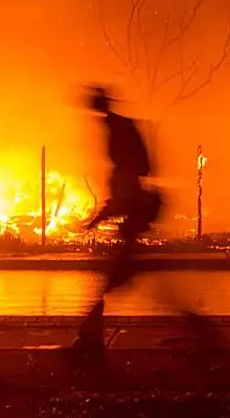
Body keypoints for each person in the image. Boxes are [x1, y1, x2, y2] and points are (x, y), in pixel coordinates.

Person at [68, 86, 163, 357]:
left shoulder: (119, 135)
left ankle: (90, 341)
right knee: (118, 281)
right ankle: (90, 339)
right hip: (134, 218)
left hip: (133, 220)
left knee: (110, 282)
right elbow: (133, 179)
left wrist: (98, 218)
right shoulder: (120, 129)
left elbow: (125, 189)